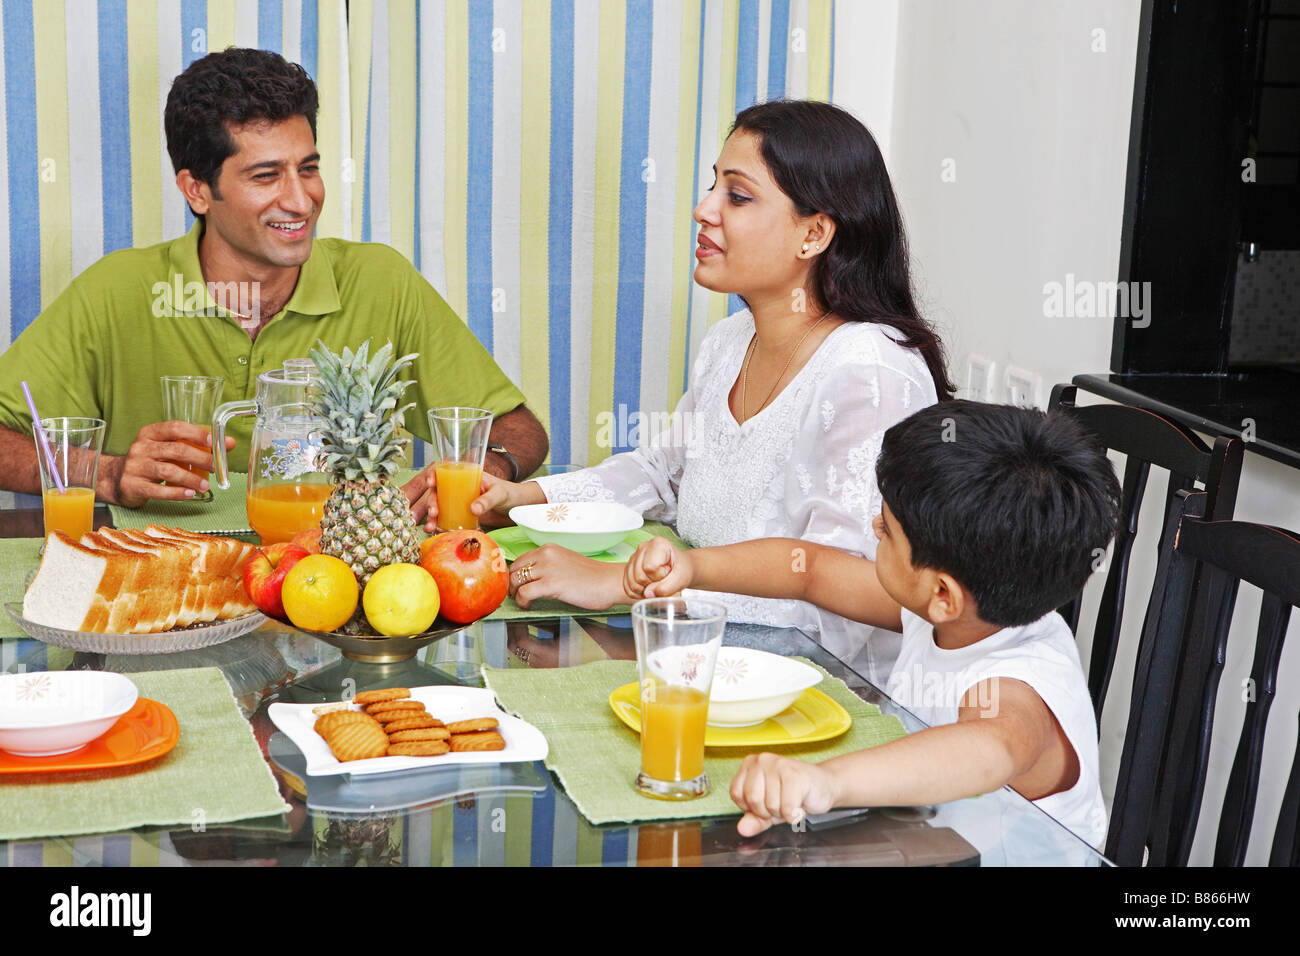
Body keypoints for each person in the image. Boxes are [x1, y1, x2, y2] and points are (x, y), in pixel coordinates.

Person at [455, 100, 954, 681]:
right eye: (712, 187)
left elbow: (842, 605)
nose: (703, 210)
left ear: (815, 233)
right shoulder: (729, 341)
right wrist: (528, 498)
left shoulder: (868, 371)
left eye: (737, 197)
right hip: (694, 661)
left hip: (813, 695)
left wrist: (631, 599)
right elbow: (662, 474)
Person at [0, 48, 546, 514]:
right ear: (196, 190)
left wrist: (481, 473)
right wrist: (105, 472)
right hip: (169, 598)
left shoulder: (382, 281)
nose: (300, 199)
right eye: (266, 175)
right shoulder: (115, 291)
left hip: (341, 600)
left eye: (307, 168)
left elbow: (519, 431)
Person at [623, 401, 1121, 847]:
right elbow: (809, 570)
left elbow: (991, 749)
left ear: (943, 593)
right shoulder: (951, 610)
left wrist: (828, 783)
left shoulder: (1019, 683)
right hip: (923, 839)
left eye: (885, 531)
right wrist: (695, 568)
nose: (872, 530)